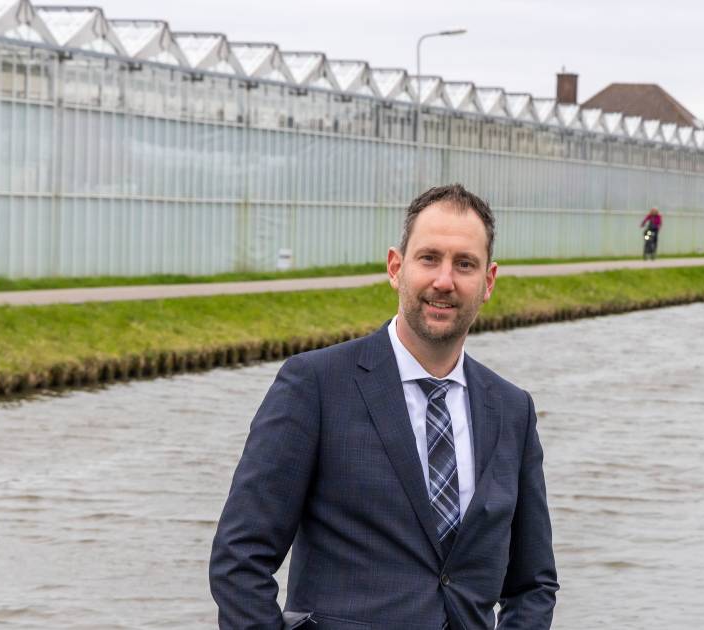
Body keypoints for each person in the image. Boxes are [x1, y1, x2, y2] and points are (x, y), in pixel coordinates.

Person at [210, 184, 559, 630]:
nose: (444, 281)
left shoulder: (512, 410)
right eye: (429, 258)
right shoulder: (315, 386)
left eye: (464, 264)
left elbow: (532, 583)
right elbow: (239, 560)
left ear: (488, 282)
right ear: (396, 267)